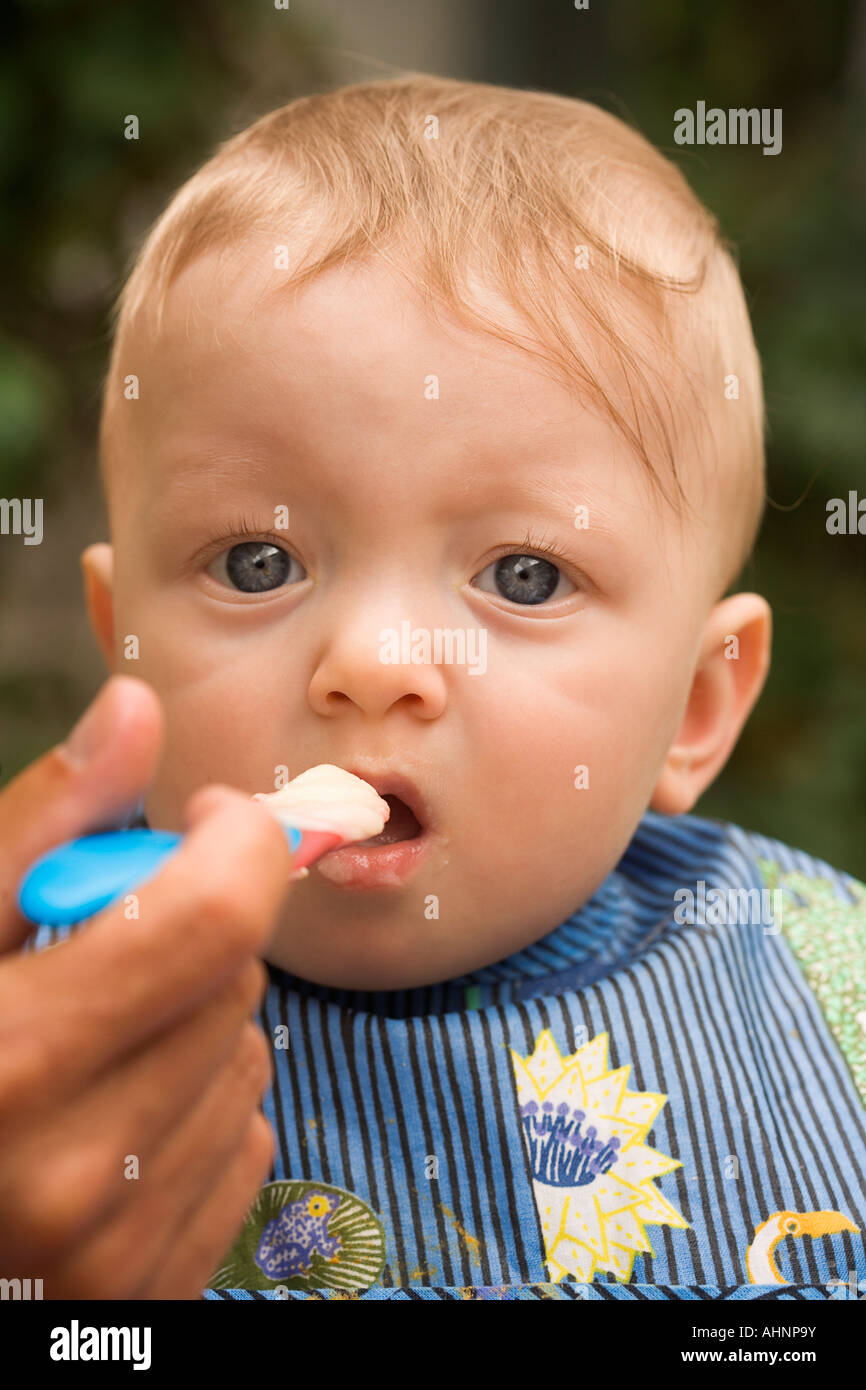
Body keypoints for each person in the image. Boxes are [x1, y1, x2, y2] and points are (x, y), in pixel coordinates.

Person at [10, 73, 866, 1298]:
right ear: (120, 642)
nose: (372, 665)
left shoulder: (825, 997)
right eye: (258, 561)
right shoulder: (44, 1019)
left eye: (522, 575)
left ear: (693, 708)